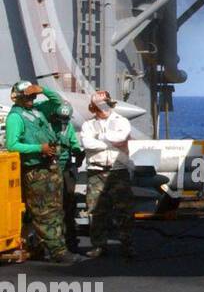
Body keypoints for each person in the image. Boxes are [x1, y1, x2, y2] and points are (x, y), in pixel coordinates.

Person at [4, 80, 71, 263]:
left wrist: (43, 89)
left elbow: (59, 104)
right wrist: (39, 148)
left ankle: (50, 248)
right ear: (17, 97)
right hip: (35, 171)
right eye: (28, 96)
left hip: (50, 167)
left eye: (33, 96)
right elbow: (12, 145)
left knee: (56, 209)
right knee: (44, 212)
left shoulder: (37, 109)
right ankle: (57, 251)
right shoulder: (15, 117)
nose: (31, 99)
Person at [80, 89, 136, 259]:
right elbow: (87, 143)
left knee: (124, 210)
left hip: (118, 170)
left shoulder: (122, 121)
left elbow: (122, 136)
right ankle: (99, 246)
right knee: (96, 211)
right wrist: (110, 143)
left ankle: (127, 245)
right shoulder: (87, 125)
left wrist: (100, 137)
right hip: (96, 171)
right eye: (98, 106)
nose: (102, 109)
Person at [49, 102, 84, 253]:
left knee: (69, 204)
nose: (63, 123)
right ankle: (54, 240)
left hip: (67, 168)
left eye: (66, 120)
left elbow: (73, 142)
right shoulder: (48, 126)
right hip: (51, 168)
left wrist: (77, 151)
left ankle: (70, 239)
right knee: (53, 206)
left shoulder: (68, 126)